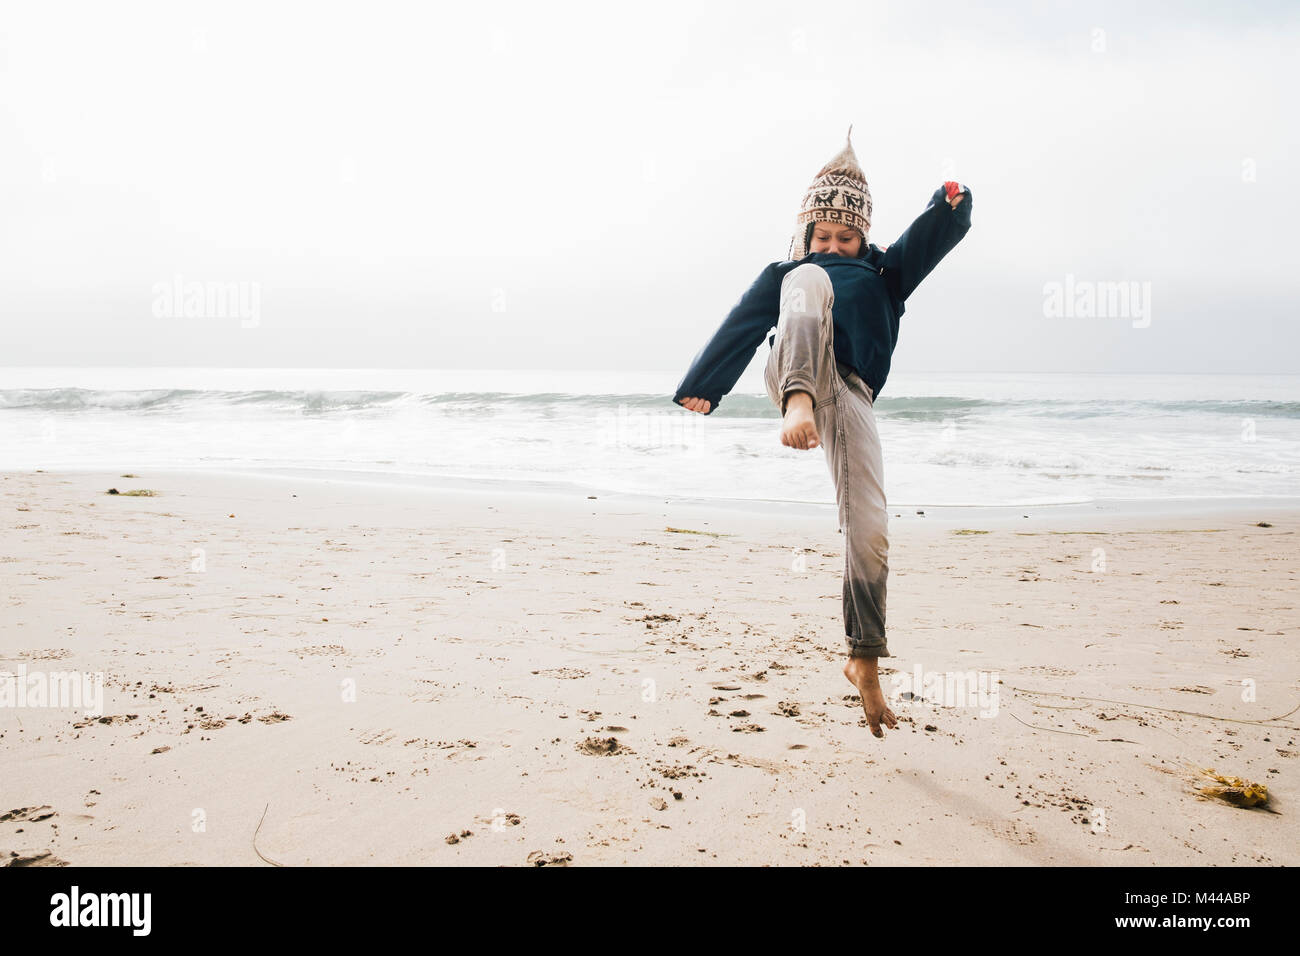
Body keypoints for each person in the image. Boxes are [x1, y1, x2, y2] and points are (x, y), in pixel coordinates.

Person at [672, 125, 972, 739]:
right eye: (822, 237)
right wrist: (705, 382)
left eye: (845, 238)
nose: (832, 247)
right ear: (806, 234)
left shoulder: (885, 275)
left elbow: (924, 242)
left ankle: (863, 658)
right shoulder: (792, 272)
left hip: (851, 394)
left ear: (864, 240)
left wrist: (950, 205)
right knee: (804, 284)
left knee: (871, 527)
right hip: (794, 378)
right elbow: (742, 324)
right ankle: (798, 402)